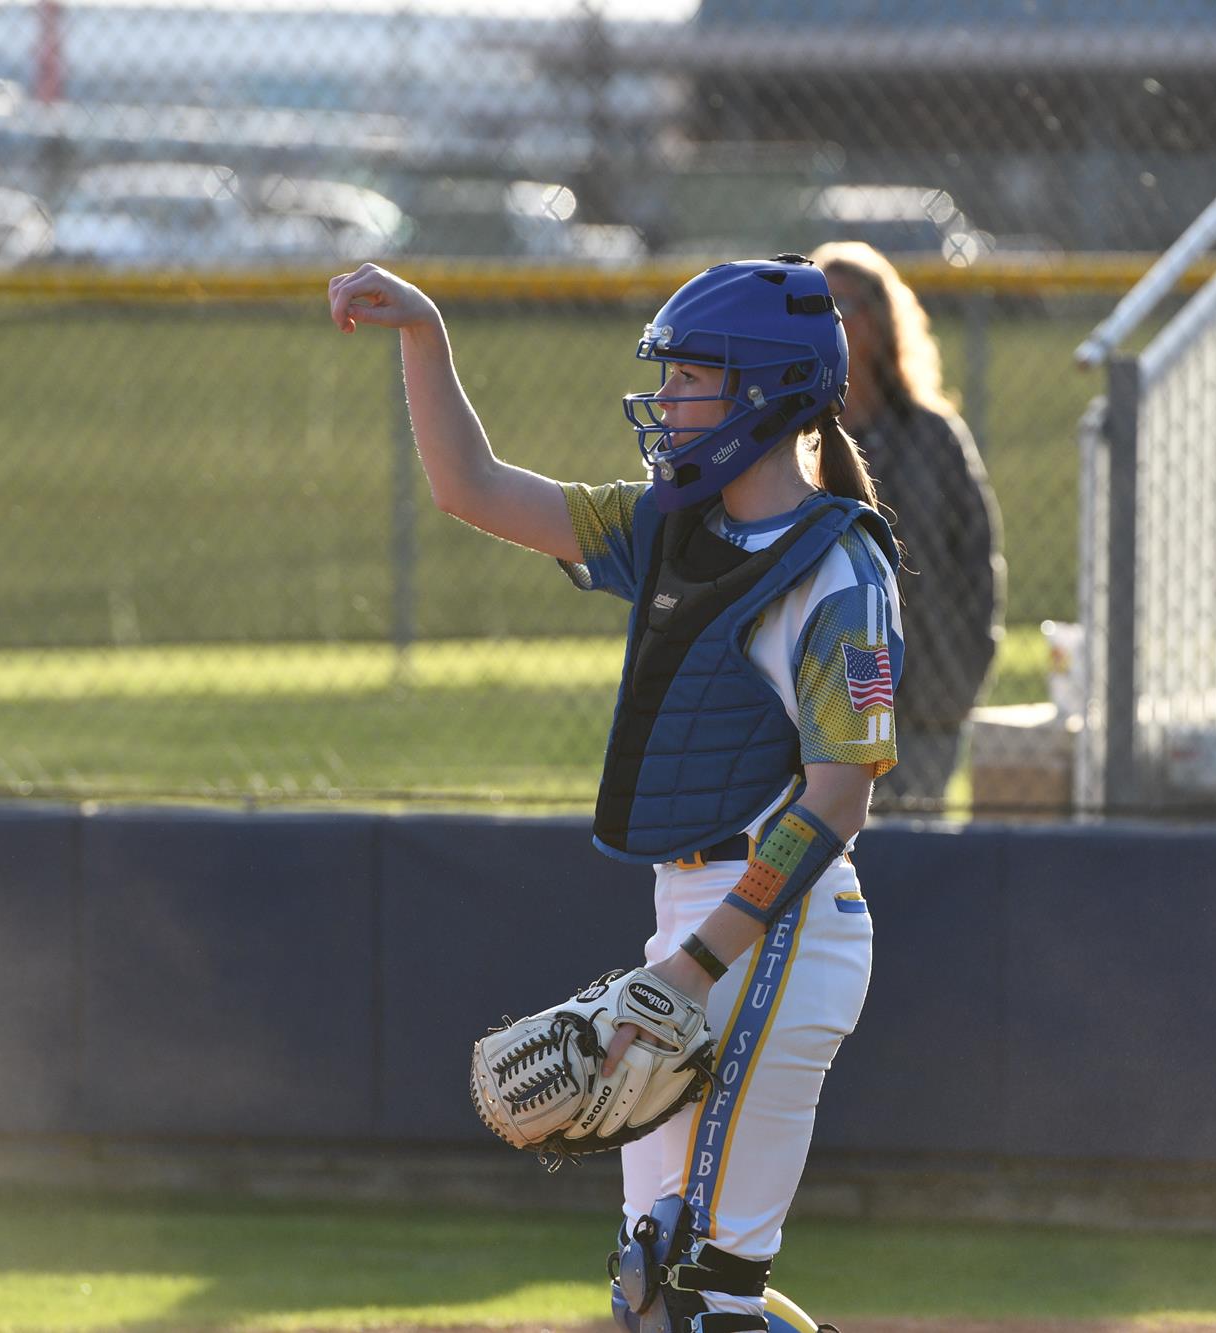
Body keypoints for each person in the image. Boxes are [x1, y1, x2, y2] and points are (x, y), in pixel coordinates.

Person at [327, 255, 900, 1333]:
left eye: (692, 376)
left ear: (766, 391)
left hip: (775, 933)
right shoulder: (672, 531)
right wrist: (426, 337)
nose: (668, 399)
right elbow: (473, 489)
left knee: (705, 1295)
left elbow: (832, 802)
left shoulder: (839, 571)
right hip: (692, 921)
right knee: (648, 1282)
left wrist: (692, 967)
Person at [811, 242, 1003, 813]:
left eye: (843, 304)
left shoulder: (933, 434)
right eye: (819, 307)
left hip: (923, 699)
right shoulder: (791, 439)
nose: (834, 322)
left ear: (881, 317)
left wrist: (959, 680)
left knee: (913, 861)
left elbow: (979, 561)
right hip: (818, 703)